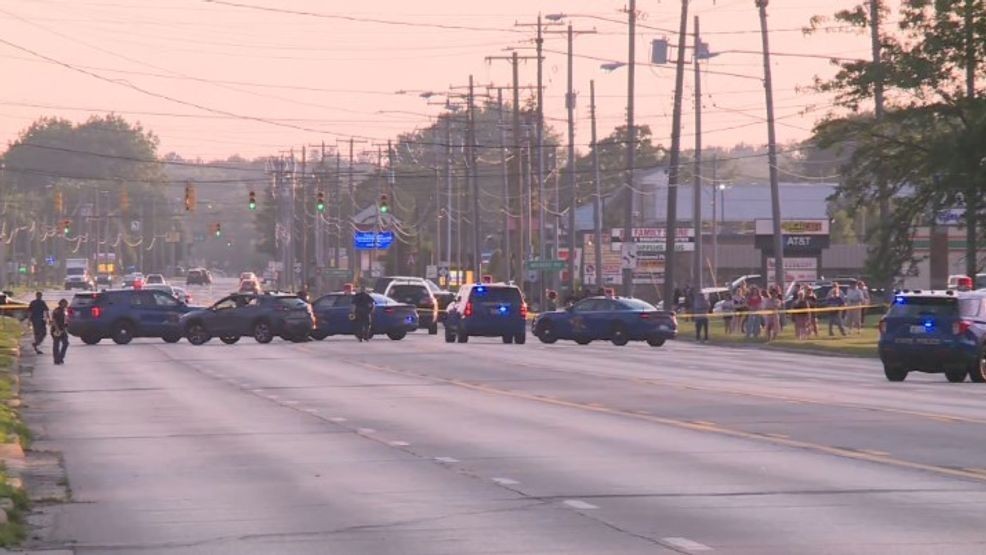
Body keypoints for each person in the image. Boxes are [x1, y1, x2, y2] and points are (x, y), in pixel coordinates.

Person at [50, 299, 69, 365]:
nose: (67, 304)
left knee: (66, 343)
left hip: (62, 329)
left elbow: (66, 320)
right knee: (56, 345)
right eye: (65, 303)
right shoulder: (57, 310)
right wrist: (57, 329)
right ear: (62, 303)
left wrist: (65, 328)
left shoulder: (64, 311)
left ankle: (61, 357)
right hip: (56, 330)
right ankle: (56, 359)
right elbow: (54, 320)